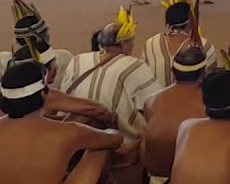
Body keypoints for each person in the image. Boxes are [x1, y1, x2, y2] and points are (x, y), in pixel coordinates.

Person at [58, 10, 160, 142]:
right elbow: (156, 105)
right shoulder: (135, 66)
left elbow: (64, 95)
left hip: (74, 137)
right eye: (132, 41)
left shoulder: (77, 60)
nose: (133, 45)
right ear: (124, 44)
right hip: (121, 142)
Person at [139, 46, 210, 184]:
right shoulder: (212, 102)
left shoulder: (151, 101)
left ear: (173, 72)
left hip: (157, 182)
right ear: (203, 73)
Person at [141, 0, 218, 89]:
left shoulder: (150, 43)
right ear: (191, 24)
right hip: (191, 100)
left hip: (155, 99)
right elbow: (210, 77)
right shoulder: (204, 45)